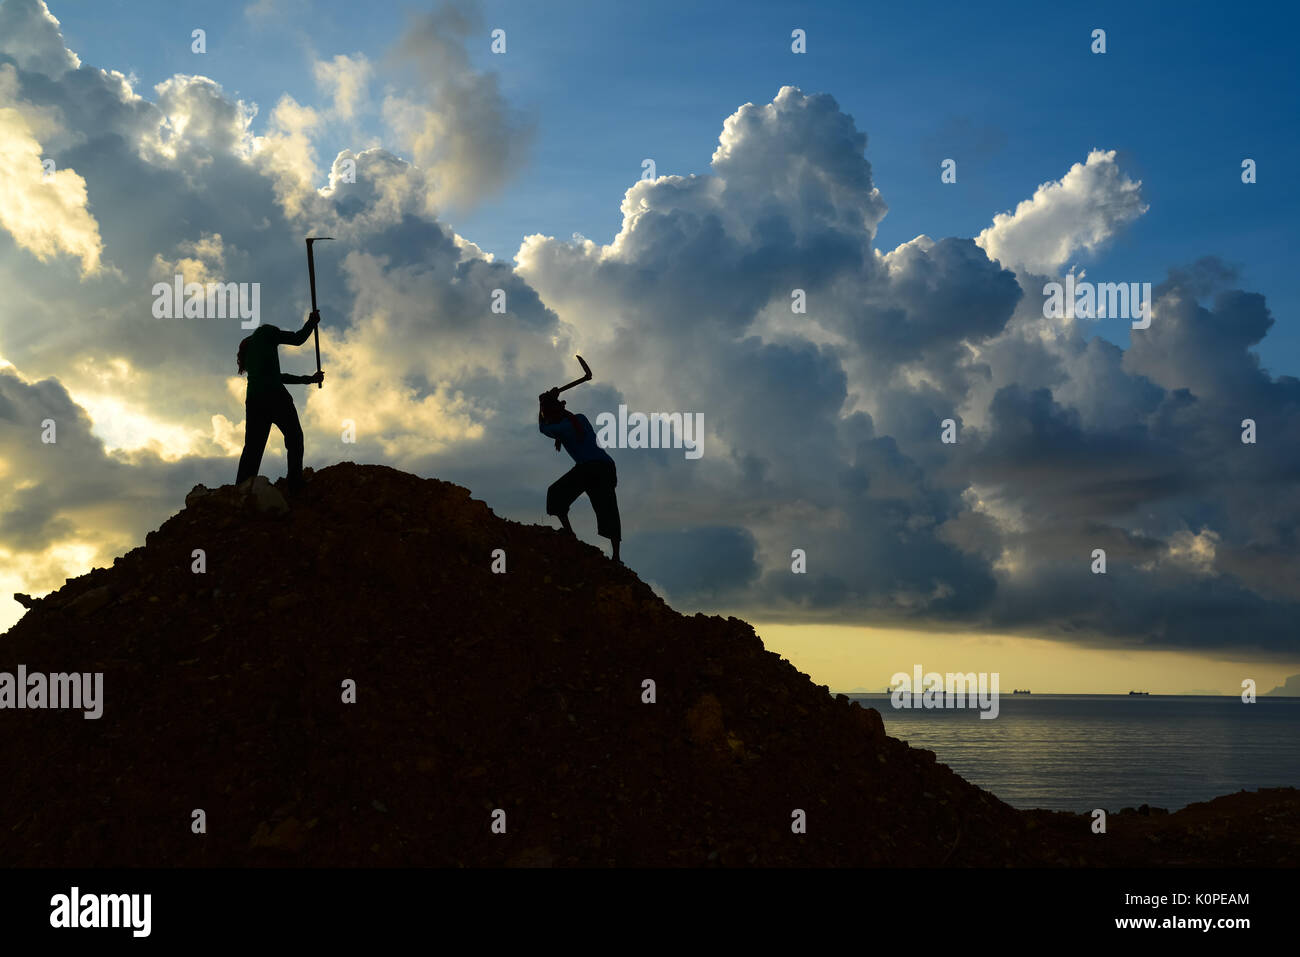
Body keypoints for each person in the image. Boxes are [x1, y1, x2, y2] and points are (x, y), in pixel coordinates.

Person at [234, 310, 323, 492]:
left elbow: (279, 376)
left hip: (254, 402)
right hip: (276, 397)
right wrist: (311, 322)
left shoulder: (252, 356)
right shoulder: (267, 332)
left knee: (253, 448)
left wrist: (309, 379)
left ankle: (241, 488)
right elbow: (298, 339)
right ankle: (295, 483)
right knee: (295, 437)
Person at [538, 388, 621, 562]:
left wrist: (542, 404)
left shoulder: (563, 427)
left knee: (559, 494)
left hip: (593, 468)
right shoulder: (579, 419)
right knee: (608, 509)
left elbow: (543, 427)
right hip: (601, 467)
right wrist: (549, 402)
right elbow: (552, 420)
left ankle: (571, 532)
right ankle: (615, 556)